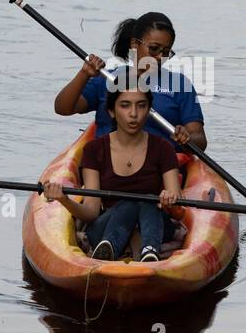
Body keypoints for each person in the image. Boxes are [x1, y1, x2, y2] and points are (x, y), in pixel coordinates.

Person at [43, 84, 182, 262]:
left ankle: (149, 252)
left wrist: (169, 197)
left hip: (152, 224)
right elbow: (91, 213)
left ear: (148, 110)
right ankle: (110, 248)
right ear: (111, 111)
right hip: (107, 224)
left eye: (141, 105)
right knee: (130, 203)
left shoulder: (163, 148)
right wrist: (64, 200)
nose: (133, 113)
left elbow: (175, 196)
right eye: (125, 105)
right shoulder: (94, 150)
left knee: (147, 200)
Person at [53, 12, 207, 151]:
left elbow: (199, 140)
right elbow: (62, 108)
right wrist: (84, 74)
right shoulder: (106, 79)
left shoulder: (179, 84)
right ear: (135, 44)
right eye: (154, 49)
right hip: (107, 163)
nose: (160, 57)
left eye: (166, 52)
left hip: (162, 167)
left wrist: (186, 137)